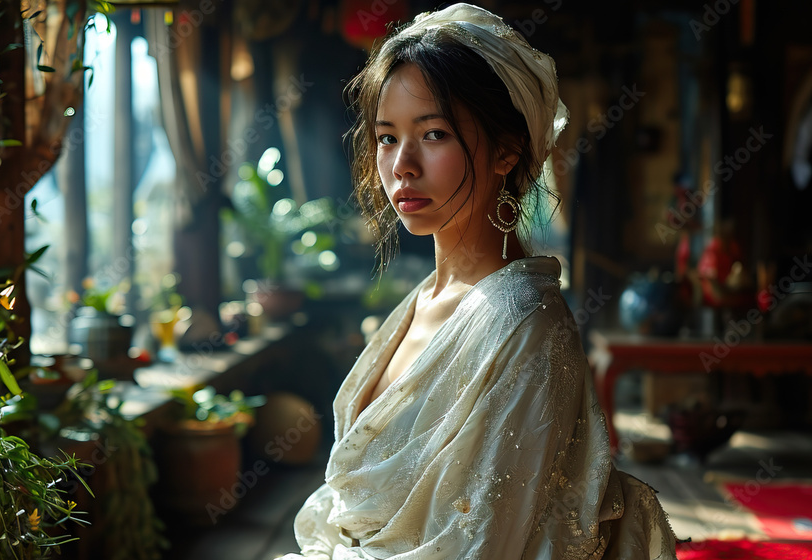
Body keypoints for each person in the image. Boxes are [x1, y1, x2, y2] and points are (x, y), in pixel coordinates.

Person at [278, 4, 678, 559]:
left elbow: (482, 543)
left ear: (508, 150)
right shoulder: (425, 299)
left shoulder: (524, 326)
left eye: (434, 133)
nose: (402, 166)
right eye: (387, 137)